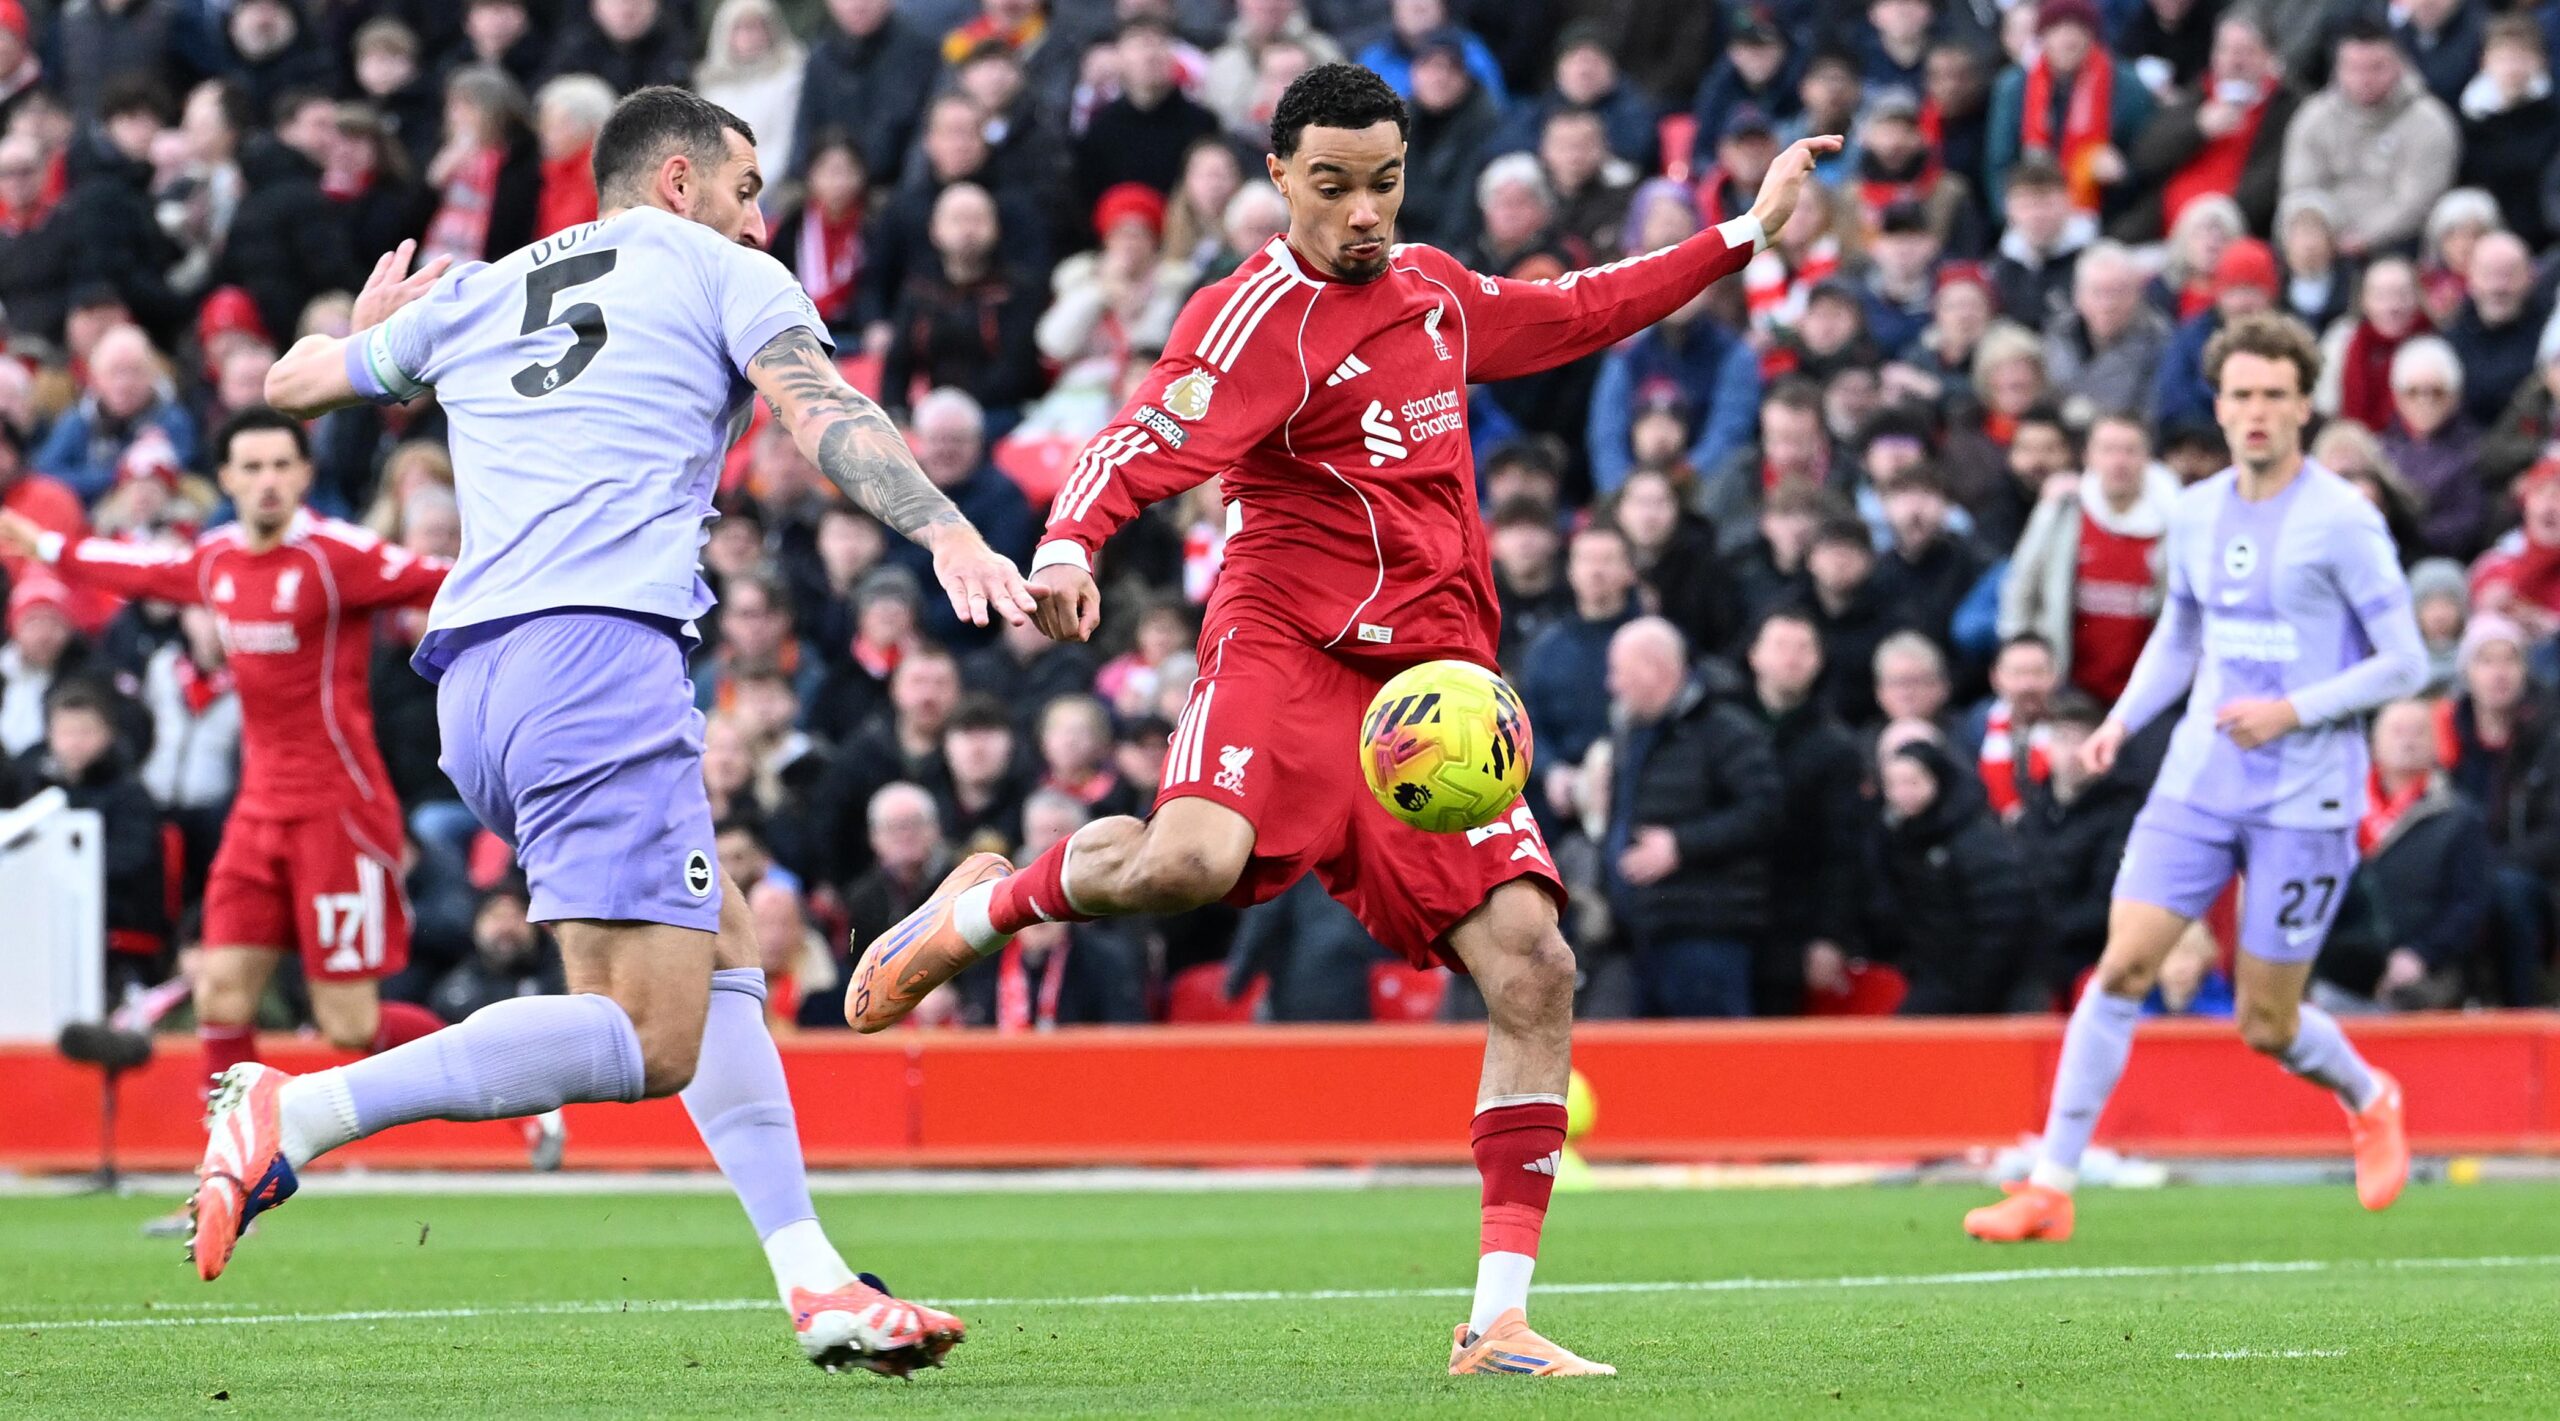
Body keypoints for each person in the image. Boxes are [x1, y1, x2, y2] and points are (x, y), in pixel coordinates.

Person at [838, 63, 1837, 1376]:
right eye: (1332, 185)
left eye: (1383, 181)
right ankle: (983, 907)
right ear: (1277, 181)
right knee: (1185, 861)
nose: (1362, 211)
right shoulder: (1256, 316)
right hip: (1285, 648)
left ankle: (1498, 1319)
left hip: (1427, 690)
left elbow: (1578, 308)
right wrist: (1071, 547)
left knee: (1535, 967)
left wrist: (1748, 232)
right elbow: (1142, 436)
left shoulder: (1431, 289)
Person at [227, 87, 1029, 1370]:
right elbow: (819, 408)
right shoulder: (714, 267)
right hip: (596, 657)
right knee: (648, 1038)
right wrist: (945, 528)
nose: (760, 217)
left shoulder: (484, 288)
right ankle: (304, 1107)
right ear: (676, 182)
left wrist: (373, 331)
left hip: (476, 684)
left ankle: (813, 1275)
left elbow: (289, 382)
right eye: (748, 187)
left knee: (722, 948)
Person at [1964, 312, 2425, 1245]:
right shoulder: (2198, 508)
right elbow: (2180, 633)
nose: (2256, 412)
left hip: (2306, 794)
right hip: (2197, 781)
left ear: (2304, 405)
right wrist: (2123, 721)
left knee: (2266, 1020)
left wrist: (2294, 710)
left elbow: (2408, 662)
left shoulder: (2345, 519)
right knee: (2124, 961)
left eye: (2274, 395)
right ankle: (2050, 1186)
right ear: (2217, 406)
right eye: (2241, 395)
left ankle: (2371, 1094)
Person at [0, 409, 458, 1218]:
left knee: (347, 1025)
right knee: (221, 998)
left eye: (283, 463)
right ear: (229, 479)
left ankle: (509, 1072)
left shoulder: (334, 558)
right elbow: (142, 570)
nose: (269, 479)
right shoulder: (214, 560)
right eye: (250, 466)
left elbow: (441, 575)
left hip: (339, 814)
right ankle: (230, 1176)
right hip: (258, 814)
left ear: (304, 474)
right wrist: (47, 549)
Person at [1591, 617, 1782, 1018]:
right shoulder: (1631, 733)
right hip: (1641, 935)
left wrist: (1682, 845)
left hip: (1706, 935)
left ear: (1653, 669)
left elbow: (1765, 811)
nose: (1612, 685)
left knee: (1712, 1069)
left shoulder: (1727, 731)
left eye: (1619, 672)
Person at [1999, 412, 2178, 701]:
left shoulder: (2175, 520)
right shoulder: (2062, 511)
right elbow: (2022, 585)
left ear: (2148, 458)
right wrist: (2018, 652)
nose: (2119, 462)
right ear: (2088, 457)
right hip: (2068, 690)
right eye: (2108, 450)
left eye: (2130, 451)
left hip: (2143, 693)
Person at [2279, 19, 2458, 260]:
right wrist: (2326, 235)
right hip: (2323, 244)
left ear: (2399, 66)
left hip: (2401, 244)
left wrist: (2364, 238)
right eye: (2353, 68)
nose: (2364, 79)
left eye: (2376, 67)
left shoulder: (2429, 122)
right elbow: (2300, 191)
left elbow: (2417, 202)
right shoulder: (2313, 118)